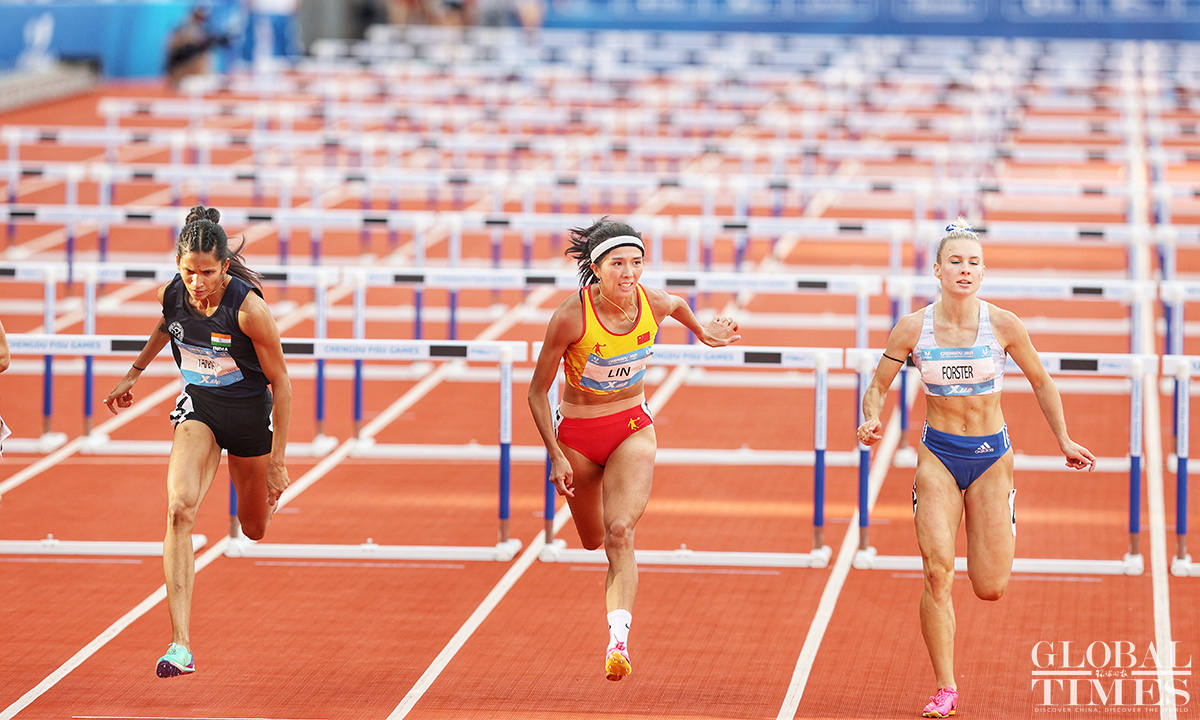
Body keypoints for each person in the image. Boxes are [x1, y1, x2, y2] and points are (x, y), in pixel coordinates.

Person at [856, 218, 1095, 718]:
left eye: (974, 263)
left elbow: (1042, 383)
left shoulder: (1004, 324)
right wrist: (871, 418)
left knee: (990, 587)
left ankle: (1002, 513)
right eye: (956, 262)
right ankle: (945, 687)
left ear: (983, 273)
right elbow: (877, 385)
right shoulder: (912, 327)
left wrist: (1064, 439)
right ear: (938, 270)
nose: (965, 270)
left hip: (990, 459)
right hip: (938, 456)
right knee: (936, 573)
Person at [527, 218, 741, 681]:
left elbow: (679, 304)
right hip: (578, 438)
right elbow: (535, 392)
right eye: (618, 263)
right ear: (597, 268)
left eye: (637, 262)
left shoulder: (653, 301)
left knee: (620, 532)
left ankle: (618, 640)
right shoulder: (570, 316)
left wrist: (704, 332)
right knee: (592, 540)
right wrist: (556, 455)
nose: (629, 272)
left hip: (630, 427)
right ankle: (593, 503)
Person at [104, 205, 291, 678]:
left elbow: (282, 384)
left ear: (225, 266)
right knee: (178, 509)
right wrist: (134, 373)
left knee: (254, 528)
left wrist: (278, 463)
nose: (197, 282)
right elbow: (168, 326)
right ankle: (180, 645)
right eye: (189, 271)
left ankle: (260, 491)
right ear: (178, 266)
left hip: (250, 419)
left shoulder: (249, 310)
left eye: (207, 272)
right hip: (202, 410)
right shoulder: (175, 293)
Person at [165, 6, 231, 90]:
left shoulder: (200, 30)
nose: (202, 20)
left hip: (196, 75)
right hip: (183, 76)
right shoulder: (183, 31)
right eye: (199, 17)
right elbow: (177, 54)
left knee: (218, 82)